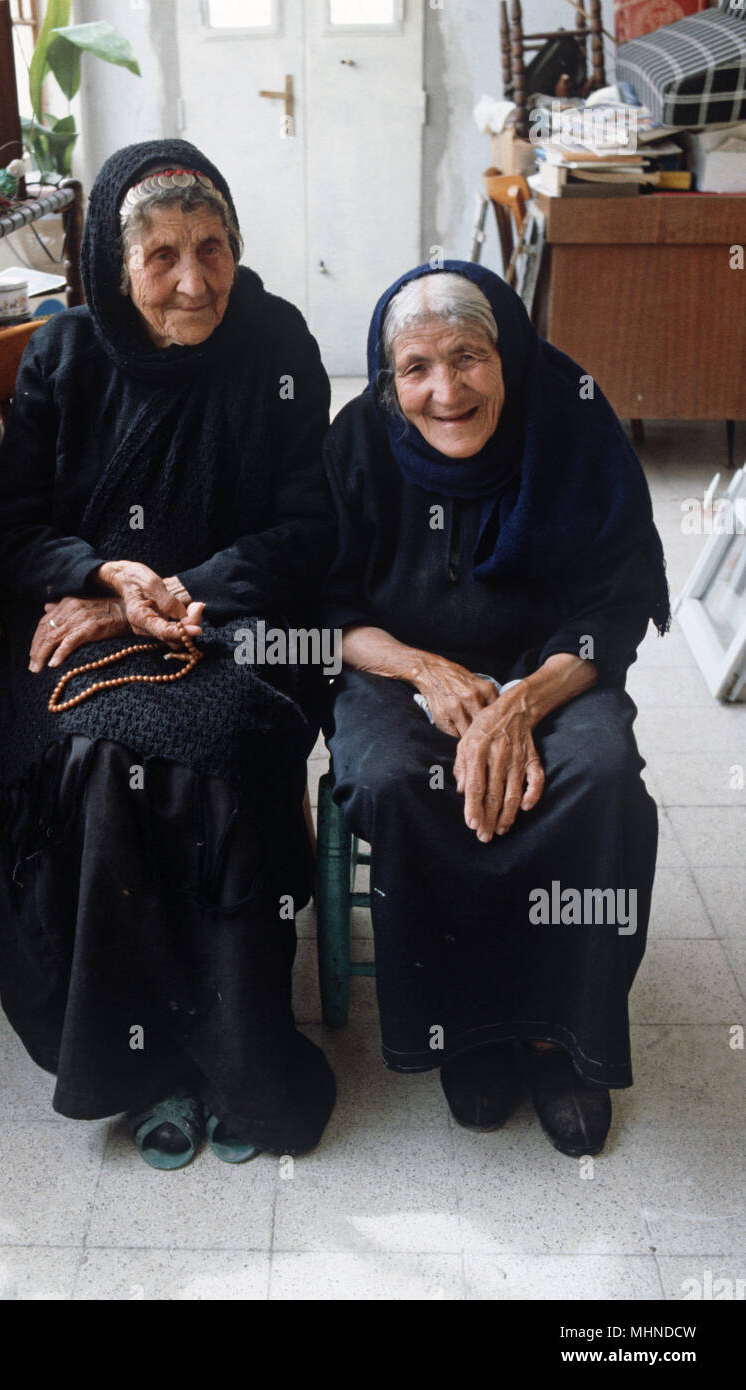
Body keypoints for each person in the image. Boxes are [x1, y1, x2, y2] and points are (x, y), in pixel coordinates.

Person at [0, 140, 336, 1168]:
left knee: (210, 749)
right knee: (95, 763)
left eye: (213, 247)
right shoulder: (64, 355)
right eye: (162, 254)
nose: (193, 278)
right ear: (112, 265)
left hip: (239, 617)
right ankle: (140, 1062)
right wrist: (105, 577)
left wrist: (186, 593)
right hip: (88, 621)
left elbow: (309, 528)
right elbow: (17, 528)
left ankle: (233, 1056)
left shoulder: (277, 344)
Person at [320, 260, 670, 1157]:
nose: (445, 391)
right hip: (399, 669)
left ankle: (560, 1038)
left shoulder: (572, 422)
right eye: (416, 368)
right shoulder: (357, 442)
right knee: (394, 778)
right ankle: (464, 1029)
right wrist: (424, 670)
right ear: (388, 379)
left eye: (468, 357)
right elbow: (319, 607)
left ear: (508, 355)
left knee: (596, 777)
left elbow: (617, 600)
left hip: (554, 666)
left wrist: (521, 702)